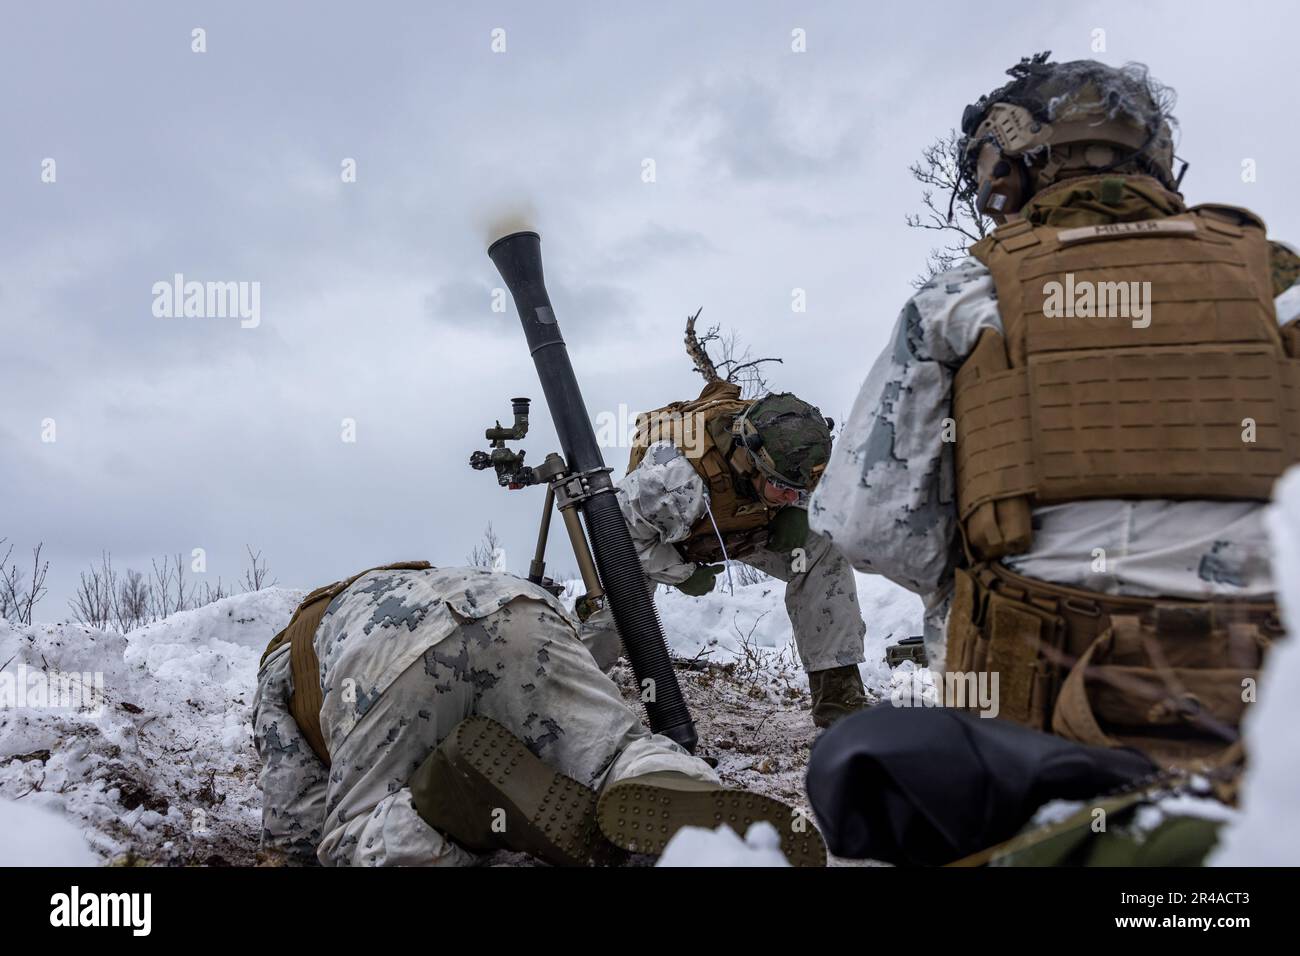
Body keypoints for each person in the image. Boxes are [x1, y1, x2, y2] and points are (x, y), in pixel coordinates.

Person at [809, 54, 1300, 766]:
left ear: (1015, 166)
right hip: (1271, 705)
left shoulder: (961, 301)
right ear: (1157, 158)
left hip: (1033, 706)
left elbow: (867, 528)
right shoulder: (1281, 288)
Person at [253, 562, 826, 866]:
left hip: (385, 652)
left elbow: (295, 825)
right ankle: (664, 782)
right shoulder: (399, 577)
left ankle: (456, 804)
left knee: (350, 842)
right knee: (611, 747)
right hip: (515, 606)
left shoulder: (280, 664)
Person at [600, 381, 869, 728]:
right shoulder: (675, 481)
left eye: (799, 489)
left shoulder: (805, 453)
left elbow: (820, 492)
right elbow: (615, 534)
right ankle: (571, 691)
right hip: (658, 539)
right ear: (753, 461)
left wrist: (800, 509)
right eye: (784, 488)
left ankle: (839, 699)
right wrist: (682, 574)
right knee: (609, 621)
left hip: (740, 528)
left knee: (824, 548)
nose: (792, 494)